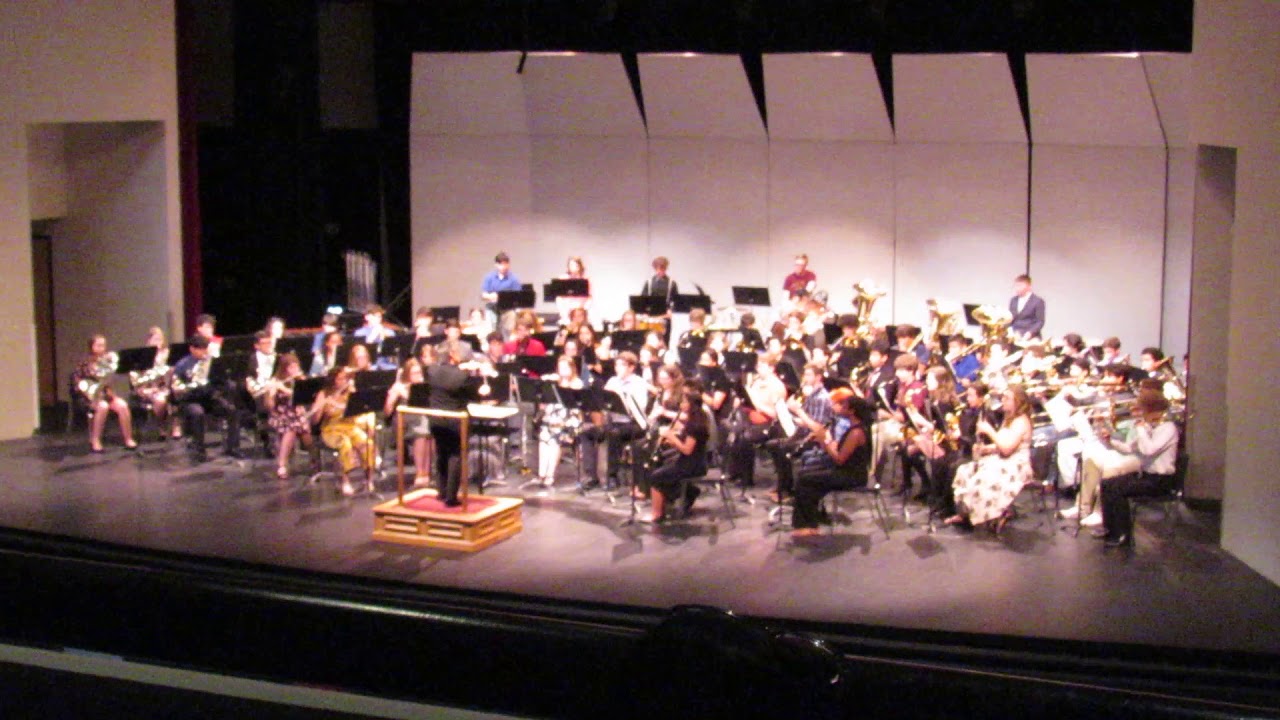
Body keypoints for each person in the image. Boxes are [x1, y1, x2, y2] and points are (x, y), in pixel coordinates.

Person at [1096, 389, 1180, 548]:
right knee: (1107, 483)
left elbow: (1150, 450)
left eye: (1140, 410)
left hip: (1161, 481)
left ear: (1151, 410)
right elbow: (1128, 448)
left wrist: (1141, 428)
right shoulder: (1149, 428)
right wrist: (1109, 441)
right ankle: (1110, 528)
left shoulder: (1168, 428)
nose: (1137, 414)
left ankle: (1123, 534)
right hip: (1146, 476)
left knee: (1118, 490)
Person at [946, 384, 1035, 534]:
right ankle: (964, 514)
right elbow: (1001, 444)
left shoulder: (1022, 421)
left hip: (1016, 465)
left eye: (1007, 399)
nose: (1003, 401)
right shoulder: (1008, 419)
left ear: (1017, 402)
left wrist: (989, 430)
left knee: (981, 478)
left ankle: (998, 513)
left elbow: (1007, 449)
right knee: (965, 471)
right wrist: (987, 449)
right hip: (1002, 458)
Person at [790, 388, 872, 539]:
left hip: (851, 475)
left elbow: (840, 458)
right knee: (805, 474)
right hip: (844, 470)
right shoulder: (854, 429)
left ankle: (807, 525)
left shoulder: (856, 433)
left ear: (852, 411)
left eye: (845, 406)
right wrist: (825, 439)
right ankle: (812, 519)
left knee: (805, 479)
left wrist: (824, 440)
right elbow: (838, 448)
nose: (841, 407)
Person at [580, 351, 649, 491]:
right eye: (616, 365)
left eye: (622, 365)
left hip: (634, 424)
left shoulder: (639, 383)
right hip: (614, 422)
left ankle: (612, 476)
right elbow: (602, 402)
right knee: (587, 433)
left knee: (614, 434)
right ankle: (591, 476)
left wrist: (622, 397)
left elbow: (640, 407)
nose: (618, 368)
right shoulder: (612, 381)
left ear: (631, 367)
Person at [172, 334, 244, 463]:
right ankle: (199, 449)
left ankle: (233, 447)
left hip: (209, 397)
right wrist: (189, 387)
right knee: (197, 412)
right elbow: (177, 389)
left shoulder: (211, 362)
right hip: (190, 400)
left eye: (206, 349)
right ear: (192, 349)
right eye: (201, 349)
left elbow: (220, 382)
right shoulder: (182, 365)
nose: (204, 352)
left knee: (232, 410)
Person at [642, 389, 710, 524]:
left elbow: (687, 450)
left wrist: (671, 436)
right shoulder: (695, 421)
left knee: (656, 477)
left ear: (692, 404)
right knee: (661, 468)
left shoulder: (695, 425)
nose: (681, 404)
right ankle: (689, 492)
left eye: (684, 402)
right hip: (691, 462)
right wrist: (670, 440)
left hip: (692, 465)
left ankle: (657, 514)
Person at [770, 363, 833, 504]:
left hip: (814, 440)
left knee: (783, 448)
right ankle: (784, 486)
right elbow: (807, 420)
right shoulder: (811, 395)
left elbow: (818, 428)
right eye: (805, 374)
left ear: (818, 377)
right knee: (773, 445)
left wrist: (799, 411)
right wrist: (789, 414)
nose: (805, 378)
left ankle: (787, 490)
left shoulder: (822, 398)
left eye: (809, 375)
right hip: (802, 434)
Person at [723, 352, 787, 490]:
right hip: (752, 418)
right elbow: (749, 401)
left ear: (771, 368)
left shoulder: (777, 386)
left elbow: (775, 413)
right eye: (758, 365)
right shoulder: (757, 382)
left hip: (768, 423)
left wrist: (755, 402)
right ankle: (734, 472)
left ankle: (747, 478)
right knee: (735, 432)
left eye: (762, 366)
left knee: (746, 438)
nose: (758, 369)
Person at [310, 367, 374, 496]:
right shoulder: (324, 394)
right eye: (340, 379)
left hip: (350, 427)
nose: (343, 381)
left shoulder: (350, 392)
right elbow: (314, 421)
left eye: (345, 378)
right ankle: (345, 481)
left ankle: (369, 480)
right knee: (345, 444)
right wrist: (320, 406)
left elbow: (359, 412)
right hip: (331, 429)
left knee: (367, 443)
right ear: (333, 380)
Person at [426, 348, 475, 507]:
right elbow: (471, 395)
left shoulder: (432, 370)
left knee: (441, 453)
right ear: (452, 356)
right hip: (455, 421)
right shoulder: (462, 376)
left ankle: (441, 491)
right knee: (456, 455)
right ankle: (451, 497)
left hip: (435, 420)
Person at [73, 334, 137, 453]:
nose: (102, 348)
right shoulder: (85, 362)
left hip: (105, 394)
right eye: (99, 345)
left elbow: (108, 383)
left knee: (122, 405)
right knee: (103, 406)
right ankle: (96, 440)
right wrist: (91, 392)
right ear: (92, 347)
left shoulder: (107, 361)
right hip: (89, 398)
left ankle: (128, 439)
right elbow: (79, 383)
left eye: (104, 345)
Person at [533, 354, 585, 489]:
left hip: (570, 419)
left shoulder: (576, 383)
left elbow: (574, 407)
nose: (562, 370)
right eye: (560, 367)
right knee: (544, 437)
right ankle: (541, 473)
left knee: (554, 437)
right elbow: (544, 403)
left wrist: (560, 383)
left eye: (565, 367)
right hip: (552, 417)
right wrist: (546, 384)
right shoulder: (554, 383)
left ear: (572, 368)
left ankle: (549, 475)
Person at [384, 358, 432, 486]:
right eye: (414, 373)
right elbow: (387, 410)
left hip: (421, 418)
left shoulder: (423, 386)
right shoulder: (398, 386)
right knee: (422, 430)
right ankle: (419, 472)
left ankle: (426, 472)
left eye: (419, 373)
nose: (418, 376)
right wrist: (393, 397)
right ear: (407, 374)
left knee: (429, 429)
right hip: (403, 420)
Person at [265, 352, 312, 480]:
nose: (294, 370)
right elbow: (269, 406)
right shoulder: (276, 381)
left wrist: (285, 389)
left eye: (296, 367)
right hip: (281, 415)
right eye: (291, 367)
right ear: (284, 368)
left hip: (298, 412)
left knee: (303, 433)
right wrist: (272, 393)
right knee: (291, 429)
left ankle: (314, 459)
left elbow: (303, 399)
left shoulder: (301, 380)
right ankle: (282, 465)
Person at [129, 326, 180, 440]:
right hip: (149, 388)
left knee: (177, 393)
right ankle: (162, 427)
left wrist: (171, 371)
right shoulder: (143, 355)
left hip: (165, 387)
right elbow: (135, 377)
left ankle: (176, 425)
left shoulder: (167, 354)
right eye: (155, 339)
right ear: (149, 341)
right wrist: (146, 387)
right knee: (160, 401)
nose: (158, 342)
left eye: (160, 339)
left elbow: (174, 374)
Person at [480, 251, 522, 329]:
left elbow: (518, 296)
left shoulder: (514, 279)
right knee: (491, 330)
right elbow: (483, 295)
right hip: (492, 308)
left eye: (505, 264)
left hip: (507, 309)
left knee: (508, 330)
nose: (503, 266)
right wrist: (492, 296)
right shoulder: (489, 277)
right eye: (501, 264)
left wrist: (503, 297)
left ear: (508, 265)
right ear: (496, 265)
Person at [351, 305, 397, 370]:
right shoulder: (359, 333)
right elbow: (359, 353)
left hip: (385, 364)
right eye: (375, 316)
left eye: (379, 317)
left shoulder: (389, 332)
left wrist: (384, 337)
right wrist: (372, 336)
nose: (378, 319)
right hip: (369, 365)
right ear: (367, 317)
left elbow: (393, 353)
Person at [1008, 274, 1046, 341]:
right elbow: (1010, 318)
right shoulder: (1013, 300)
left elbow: (1039, 322)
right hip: (1014, 335)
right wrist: (1010, 331)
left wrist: (1029, 333)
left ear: (1028, 286)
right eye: (1016, 286)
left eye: (1020, 286)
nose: (1017, 288)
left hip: (1030, 336)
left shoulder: (1038, 301)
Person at [555, 255, 591, 321]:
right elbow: (559, 298)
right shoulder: (563, 279)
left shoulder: (586, 280)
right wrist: (563, 313)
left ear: (579, 266)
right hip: (566, 312)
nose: (572, 267)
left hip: (580, 312)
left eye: (574, 265)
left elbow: (589, 298)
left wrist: (583, 310)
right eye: (570, 265)